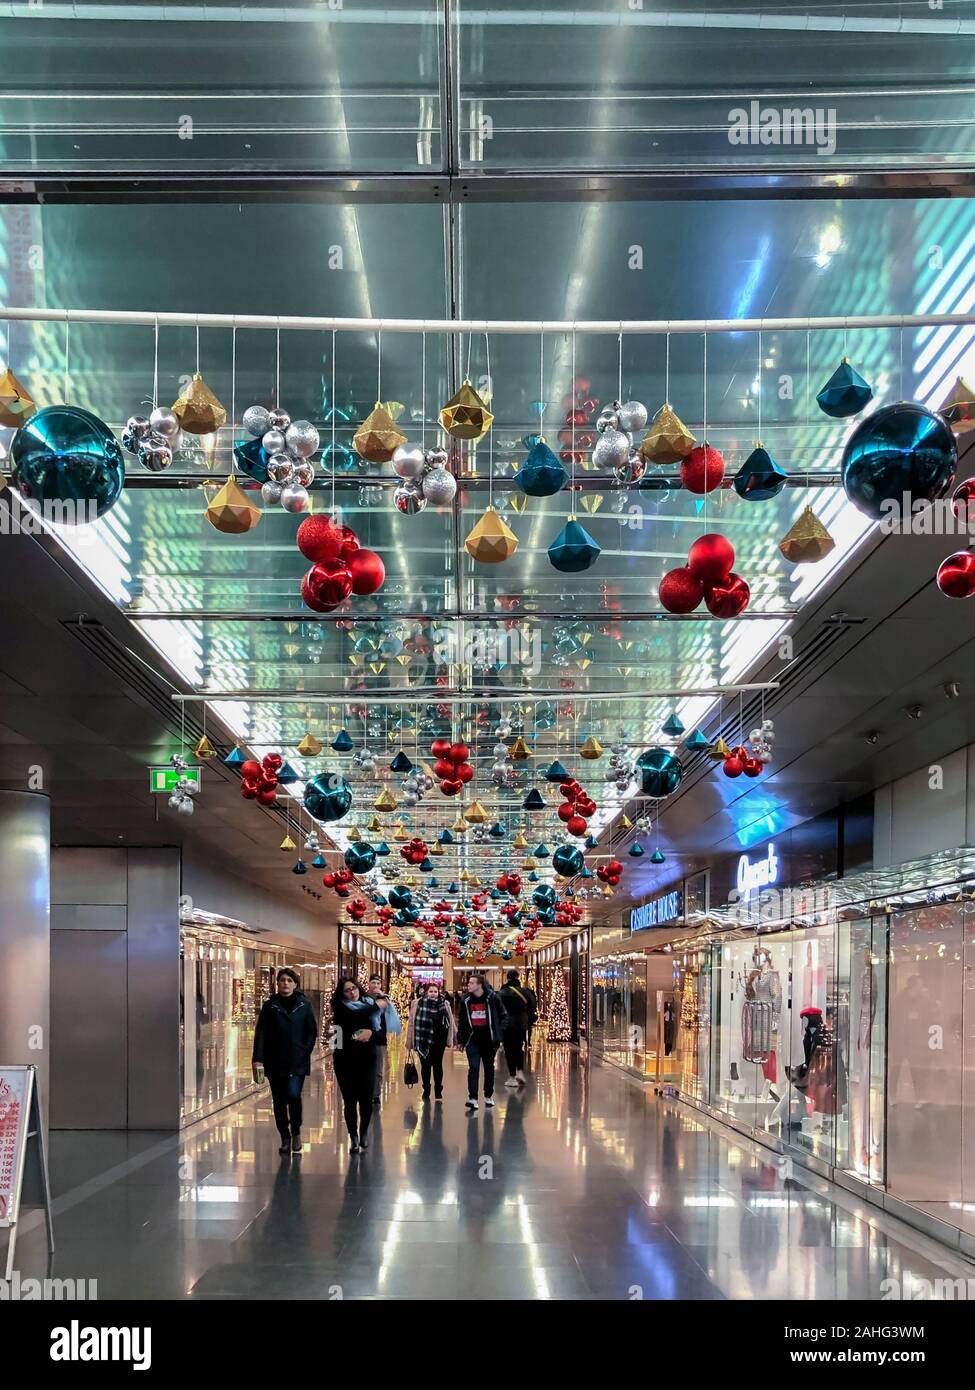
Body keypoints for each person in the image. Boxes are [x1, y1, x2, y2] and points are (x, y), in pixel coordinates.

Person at [252, 968, 319, 1154]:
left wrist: (305, 1051)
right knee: (279, 1101)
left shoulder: (303, 1005)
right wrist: (257, 1059)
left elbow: (311, 1031)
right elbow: (261, 1034)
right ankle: (285, 1137)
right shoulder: (270, 1006)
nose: (286, 983)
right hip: (275, 1061)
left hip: (297, 1060)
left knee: (293, 1094)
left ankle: (296, 1129)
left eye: (290, 980)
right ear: (278, 984)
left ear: (295, 984)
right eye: (282, 980)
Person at [330, 979, 383, 1153]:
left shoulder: (368, 1004)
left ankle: (364, 1132)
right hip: (345, 1060)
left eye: (354, 988)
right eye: (347, 990)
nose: (352, 993)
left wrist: (371, 1032)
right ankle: (353, 1136)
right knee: (350, 1101)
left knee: (366, 1101)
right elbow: (351, 1020)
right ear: (342, 994)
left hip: (367, 1059)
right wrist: (378, 1005)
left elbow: (381, 1035)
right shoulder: (340, 1007)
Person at [455, 972, 506, 1110]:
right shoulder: (466, 1001)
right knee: (474, 1068)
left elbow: (503, 1015)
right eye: (469, 982)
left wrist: (499, 1035)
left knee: (489, 1068)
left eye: (471, 983)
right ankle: (472, 1098)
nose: (468, 985)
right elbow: (462, 1021)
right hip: (472, 1040)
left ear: (479, 985)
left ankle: (488, 1095)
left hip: (489, 1041)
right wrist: (460, 1040)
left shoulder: (492, 998)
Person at [407, 983, 456, 1101]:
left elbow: (451, 1021)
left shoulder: (444, 1004)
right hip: (422, 1039)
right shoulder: (417, 1003)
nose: (433, 994)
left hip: (439, 1040)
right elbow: (411, 1023)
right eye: (431, 991)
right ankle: (426, 1089)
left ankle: (438, 1090)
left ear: (439, 992)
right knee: (425, 1066)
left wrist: (455, 1037)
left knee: (437, 1065)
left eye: (435, 991)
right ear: (426, 992)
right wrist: (409, 1042)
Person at [498, 968, 535, 1087]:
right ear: (518, 978)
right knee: (519, 1048)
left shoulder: (502, 993)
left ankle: (512, 1077)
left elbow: (497, 1009)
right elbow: (532, 1007)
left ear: (507, 978)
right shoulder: (526, 992)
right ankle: (520, 1071)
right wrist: (528, 1022)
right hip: (521, 1025)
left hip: (507, 1025)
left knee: (509, 1050)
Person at [366, 974, 390, 1107]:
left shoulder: (385, 999)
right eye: (373, 983)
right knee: (366, 1067)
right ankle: (367, 1093)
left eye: (378, 983)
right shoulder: (363, 999)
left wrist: (382, 997)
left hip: (380, 1039)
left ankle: (376, 1094)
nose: (375, 986)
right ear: (369, 984)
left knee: (378, 1070)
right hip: (366, 1038)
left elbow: (390, 1014)